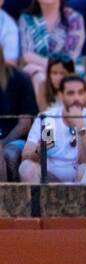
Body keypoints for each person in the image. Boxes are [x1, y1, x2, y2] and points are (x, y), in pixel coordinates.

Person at [18, 74, 86, 182]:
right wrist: (39, 150)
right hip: (49, 177)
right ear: (61, 95)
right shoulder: (47, 118)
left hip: (80, 178)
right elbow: (25, 156)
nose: (76, 98)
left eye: (80, 93)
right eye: (71, 93)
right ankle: (37, 199)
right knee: (27, 167)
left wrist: (81, 127)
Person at [17, 0, 85, 101]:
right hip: (39, 68)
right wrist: (50, 68)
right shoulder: (26, 19)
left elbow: (72, 55)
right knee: (37, 75)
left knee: (56, 74)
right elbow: (27, 54)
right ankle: (47, 115)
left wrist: (54, 69)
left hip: (69, 67)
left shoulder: (74, 18)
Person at [0, 46, 37, 182]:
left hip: (14, 139)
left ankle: (9, 198)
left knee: (8, 155)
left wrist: (3, 143)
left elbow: (25, 124)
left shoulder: (20, 79)